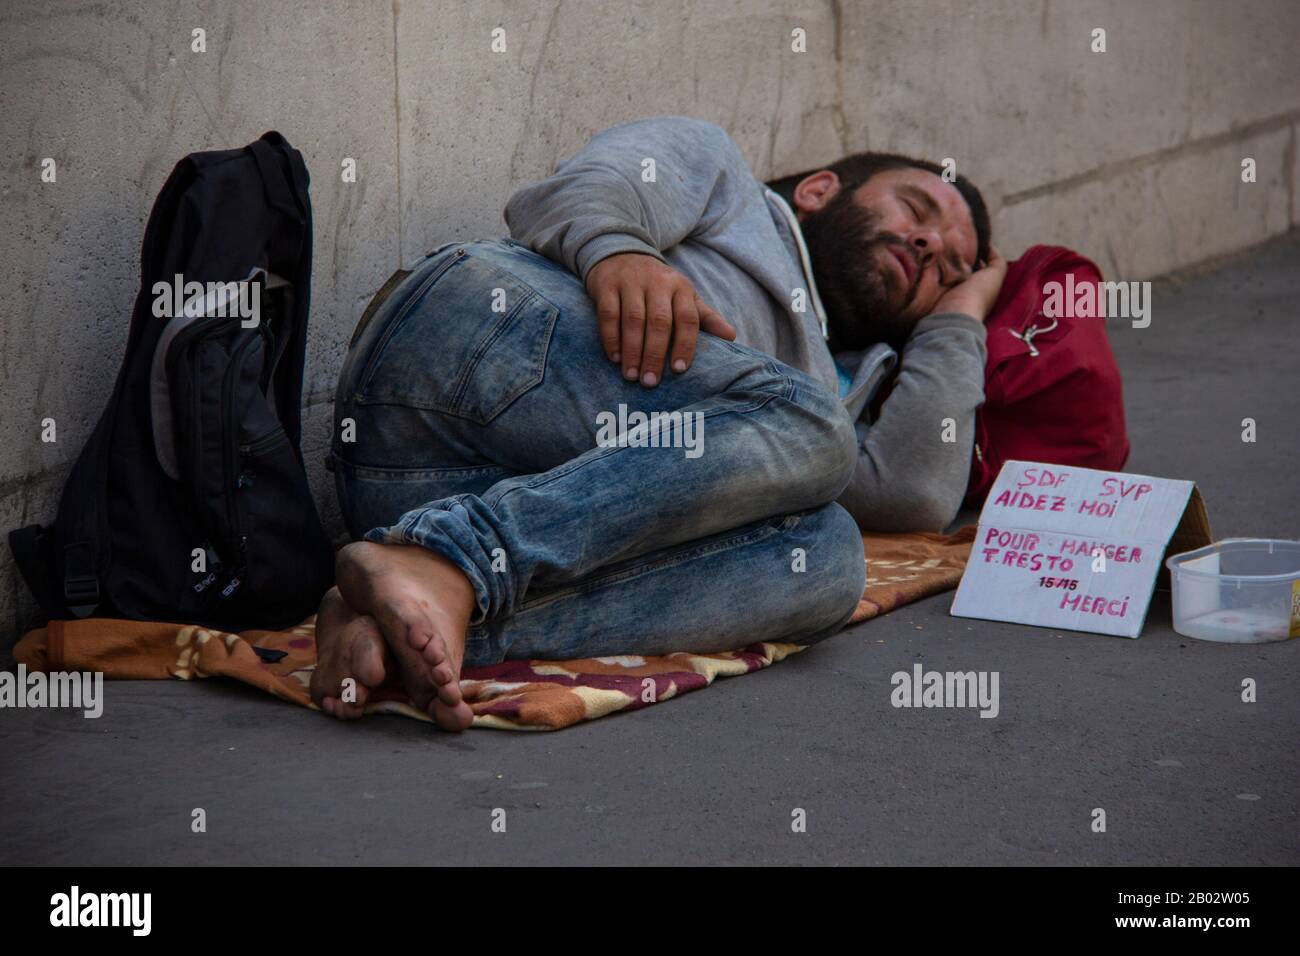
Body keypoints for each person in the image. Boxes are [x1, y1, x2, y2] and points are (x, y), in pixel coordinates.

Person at [312, 116, 1006, 730]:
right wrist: (621, 250)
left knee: (828, 559)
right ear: (820, 189)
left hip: (419, 499)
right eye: (917, 209)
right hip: (467, 345)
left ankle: (415, 600)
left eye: (946, 268)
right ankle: (455, 562)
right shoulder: (724, 176)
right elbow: (577, 190)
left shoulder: (844, 381)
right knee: (815, 427)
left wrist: (957, 321)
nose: (924, 244)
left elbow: (911, 493)